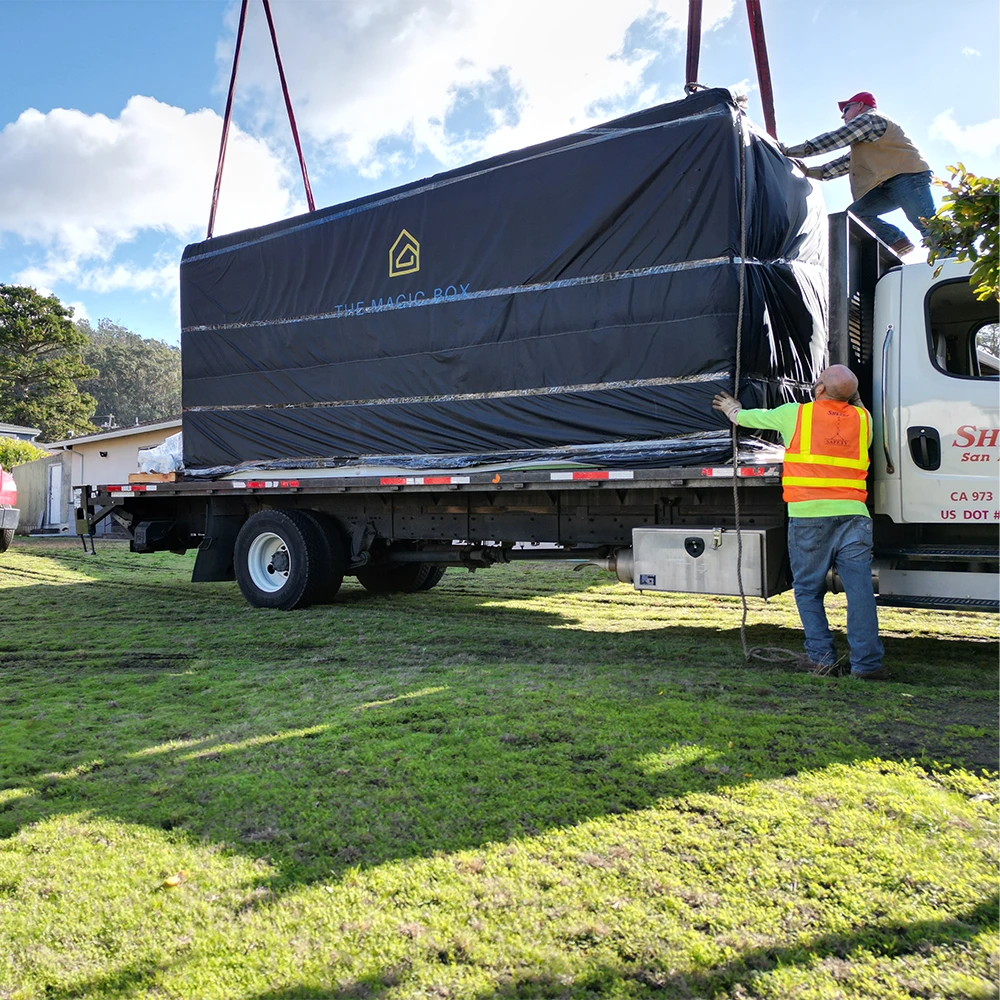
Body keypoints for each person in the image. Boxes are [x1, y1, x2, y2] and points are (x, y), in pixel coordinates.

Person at [712, 365, 887, 680]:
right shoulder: (864, 420)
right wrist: (850, 391)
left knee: (808, 590)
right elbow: (855, 403)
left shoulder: (796, 414)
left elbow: (746, 418)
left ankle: (821, 659)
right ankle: (867, 666)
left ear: (819, 389)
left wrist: (731, 408)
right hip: (854, 516)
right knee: (860, 592)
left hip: (810, 517)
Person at [780, 92, 933, 257]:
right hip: (889, 183)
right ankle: (897, 240)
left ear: (860, 106)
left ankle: (947, 257)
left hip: (908, 176)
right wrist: (808, 172)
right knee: (855, 216)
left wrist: (792, 151)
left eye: (846, 109)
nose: (843, 116)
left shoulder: (870, 119)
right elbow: (843, 164)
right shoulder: (864, 143)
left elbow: (836, 138)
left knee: (927, 224)